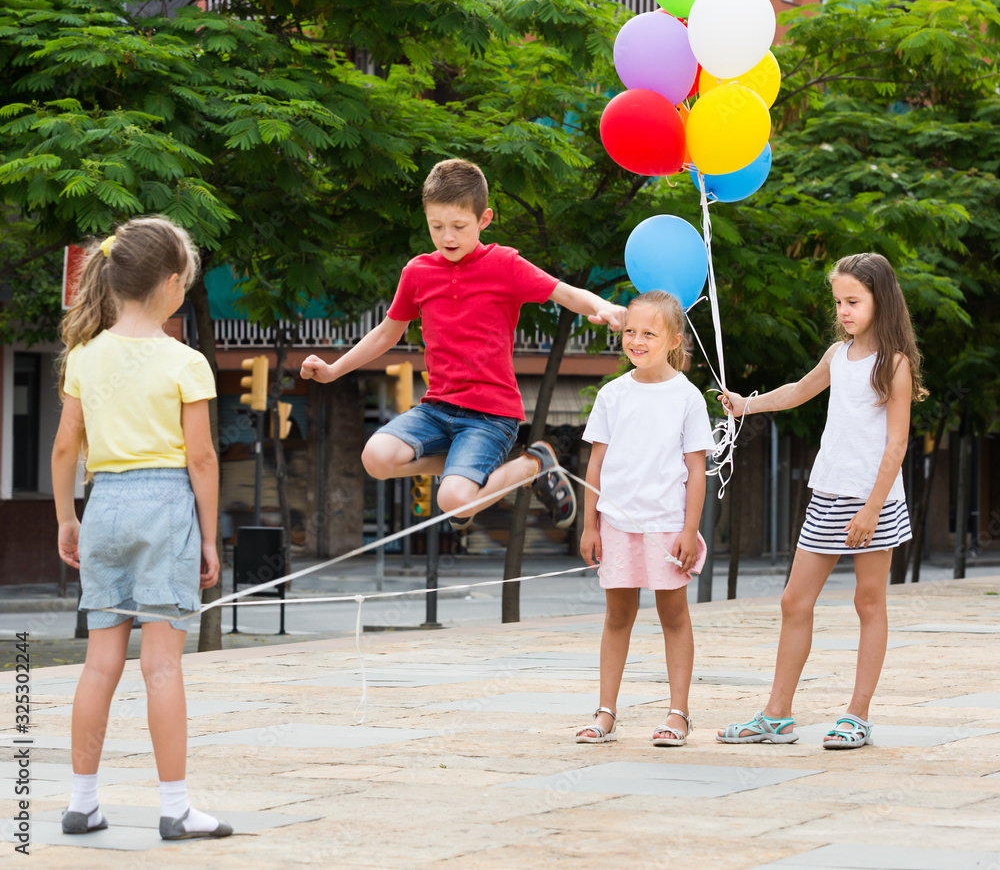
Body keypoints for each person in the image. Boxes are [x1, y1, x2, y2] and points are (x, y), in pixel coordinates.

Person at [300, 158, 628, 530]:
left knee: (453, 501)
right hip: (438, 409)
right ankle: (464, 473)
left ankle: (533, 465)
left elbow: (564, 293)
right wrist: (332, 370)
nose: (447, 238)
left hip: (490, 415)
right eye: (436, 226)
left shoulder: (505, 264)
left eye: (459, 226)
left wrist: (603, 306)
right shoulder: (417, 272)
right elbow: (385, 333)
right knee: (375, 457)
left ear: (484, 220)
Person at [51, 217, 232, 840]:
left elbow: (63, 449)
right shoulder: (187, 362)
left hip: (104, 505)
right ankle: (176, 808)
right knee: (162, 668)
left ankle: (82, 802)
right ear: (173, 284)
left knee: (100, 663)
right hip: (167, 508)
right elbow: (202, 459)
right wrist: (208, 538)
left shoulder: (83, 357)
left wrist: (66, 519)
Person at [717, 252, 926, 749]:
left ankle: (857, 715)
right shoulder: (837, 355)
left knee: (868, 602)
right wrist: (748, 404)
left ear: (882, 299)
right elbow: (797, 391)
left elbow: (897, 444)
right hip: (827, 495)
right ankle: (777, 716)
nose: (844, 311)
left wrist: (873, 508)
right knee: (794, 600)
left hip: (873, 502)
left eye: (854, 301)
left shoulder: (894, 364)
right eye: (839, 302)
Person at [575, 290, 715, 746]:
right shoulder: (612, 395)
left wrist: (689, 530)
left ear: (673, 339)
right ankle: (605, 712)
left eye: (649, 333)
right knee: (618, 615)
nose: (636, 340)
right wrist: (590, 524)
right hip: (616, 523)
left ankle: (678, 713)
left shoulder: (688, 397)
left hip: (667, 526)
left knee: (673, 614)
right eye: (630, 331)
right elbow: (595, 464)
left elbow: (697, 469)